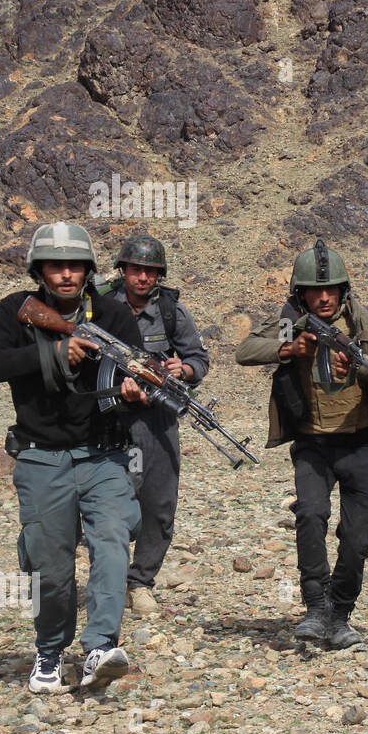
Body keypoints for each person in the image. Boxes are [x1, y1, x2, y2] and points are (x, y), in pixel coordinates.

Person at [0, 221, 146, 693]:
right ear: (39, 270)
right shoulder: (13, 311)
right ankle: (48, 651)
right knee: (49, 560)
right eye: (56, 265)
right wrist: (51, 353)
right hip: (40, 456)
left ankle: (100, 646)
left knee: (111, 540)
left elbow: (134, 374)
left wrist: (132, 391)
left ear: (88, 270)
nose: (66, 274)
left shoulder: (113, 314)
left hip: (104, 455)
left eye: (75, 265)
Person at [235, 240, 368, 649]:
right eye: (314, 291)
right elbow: (245, 350)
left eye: (331, 289)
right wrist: (289, 348)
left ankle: (341, 612)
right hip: (312, 445)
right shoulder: (293, 324)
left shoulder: (364, 324)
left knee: (359, 538)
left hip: (363, 445)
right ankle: (315, 607)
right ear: (300, 294)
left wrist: (357, 362)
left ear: (343, 291)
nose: (323, 297)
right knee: (311, 516)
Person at [99, 234, 209, 617]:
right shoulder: (100, 307)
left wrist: (186, 368)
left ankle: (141, 582)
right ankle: (109, 579)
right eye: (136, 269)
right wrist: (116, 387)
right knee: (114, 505)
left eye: (150, 271)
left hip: (158, 422)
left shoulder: (170, 311)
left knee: (159, 504)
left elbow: (198, 357)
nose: (143, 277)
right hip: (111, 421)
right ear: (124, 270)